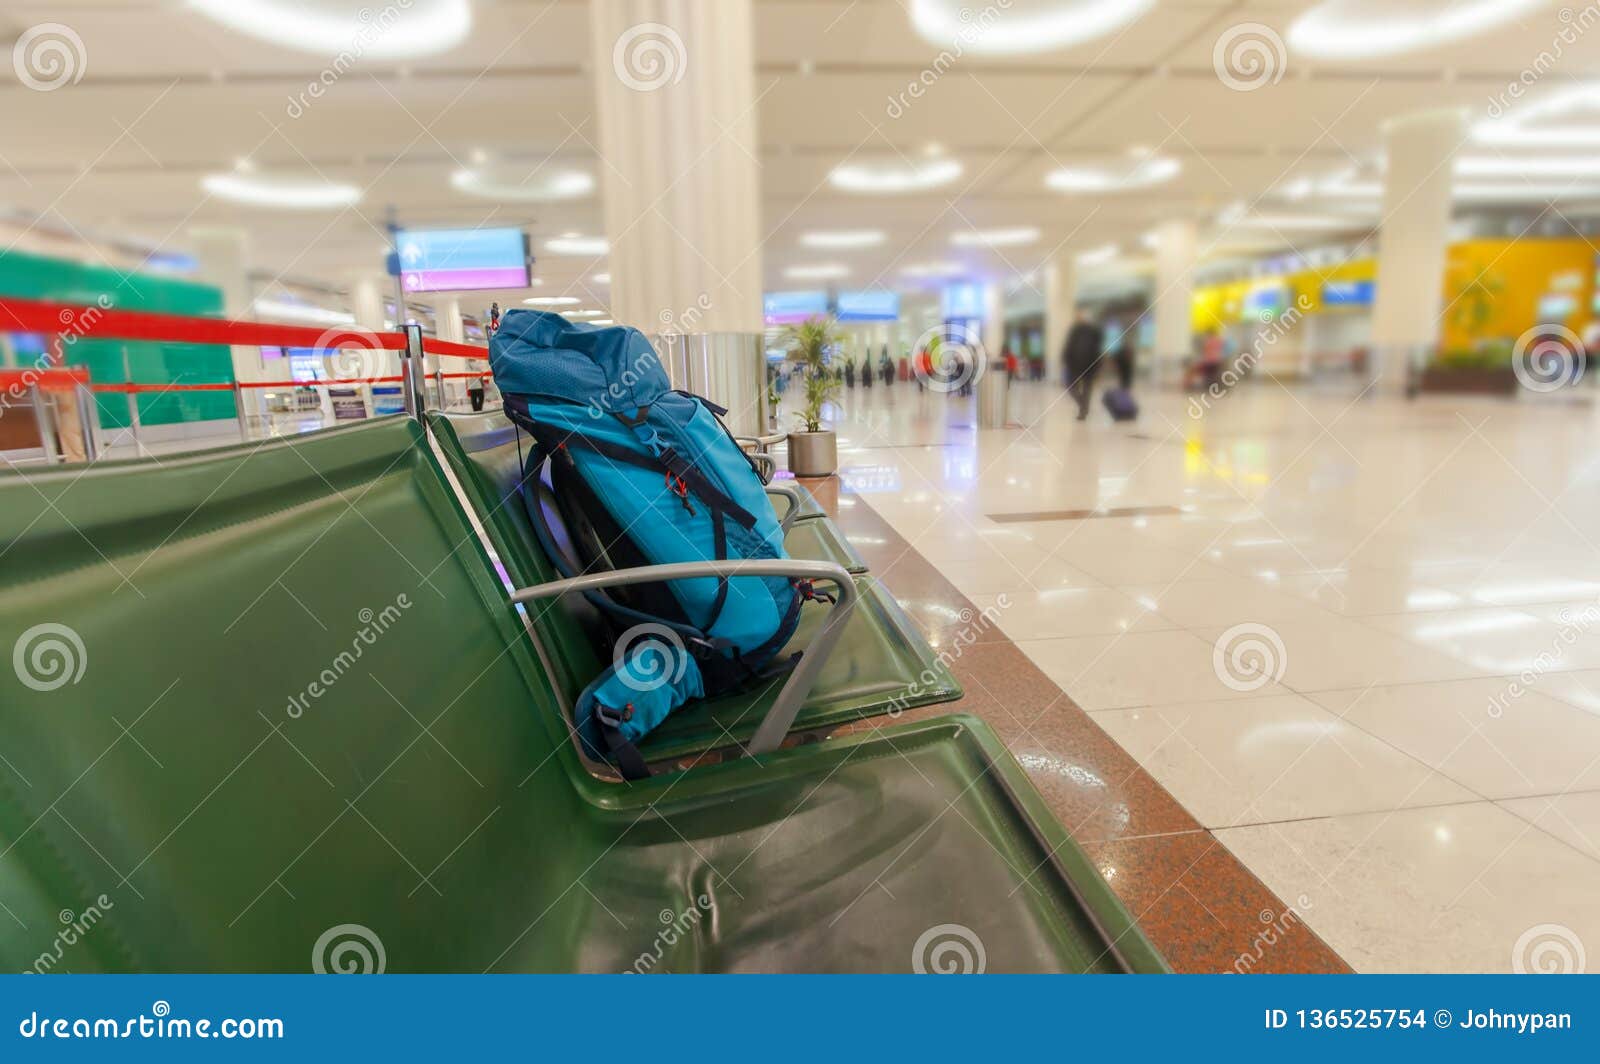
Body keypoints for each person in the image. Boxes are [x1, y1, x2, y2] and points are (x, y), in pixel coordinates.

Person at [1061, 311, 1105, 420]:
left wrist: (1065, 359)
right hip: (1082, 364)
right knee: (1083, 387)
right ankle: (1083, 406)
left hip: (1082, 364)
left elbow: (1069, 346)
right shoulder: (1081, 331)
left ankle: (1083, 408)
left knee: (1076, 386)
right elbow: (1069, 346)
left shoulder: (1091, 331)